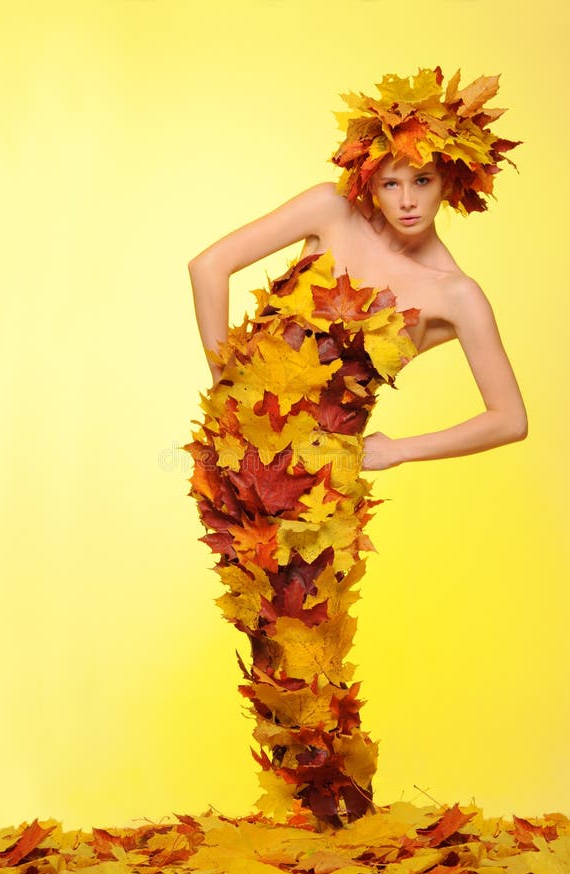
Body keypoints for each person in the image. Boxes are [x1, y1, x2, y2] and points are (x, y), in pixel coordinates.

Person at [184, 66, 527, 829]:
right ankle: (322, 823)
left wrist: (398, 448)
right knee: (267, 641)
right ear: (369, 175)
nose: (405, 199)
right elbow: (208, 267)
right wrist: (227, 385)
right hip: (236, 462)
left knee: (307, 648)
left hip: (320, 488)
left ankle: (335, 822)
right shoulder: (331, 212)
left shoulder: (455, 295)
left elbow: (509, 418)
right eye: (391, 180)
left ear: (453, 182)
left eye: (423, 180)